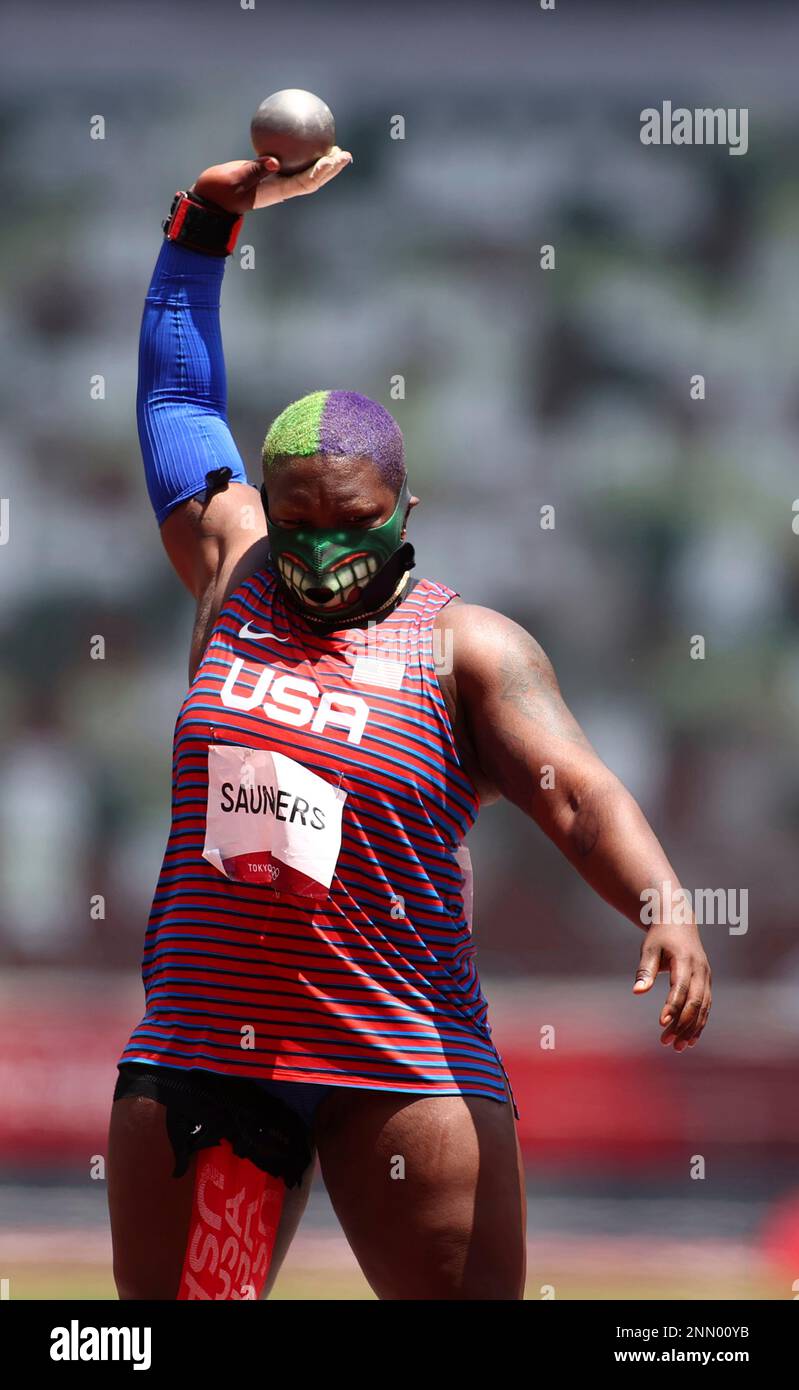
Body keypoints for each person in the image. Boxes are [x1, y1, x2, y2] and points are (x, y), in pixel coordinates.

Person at [107, 147, 712, 1301]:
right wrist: (205, 223)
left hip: (400, 1062)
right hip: (205, 1057)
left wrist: (664, 904)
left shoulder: (465, 649)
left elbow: (576, 793)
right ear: (266, 510)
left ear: (406, 509)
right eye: (301, 523)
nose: (326, 553)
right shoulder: (232, 570)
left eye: (358, 524)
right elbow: (177, 402)